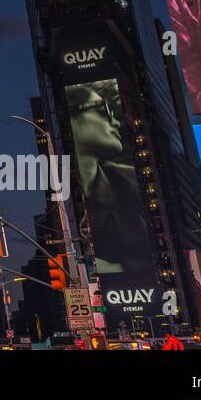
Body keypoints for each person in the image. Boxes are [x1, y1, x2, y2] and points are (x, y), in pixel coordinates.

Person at [66, 79, 150, 274]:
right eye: (103, 110)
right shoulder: (65, 195)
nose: (115, 121)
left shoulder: (132, 182)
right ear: (74, 119)